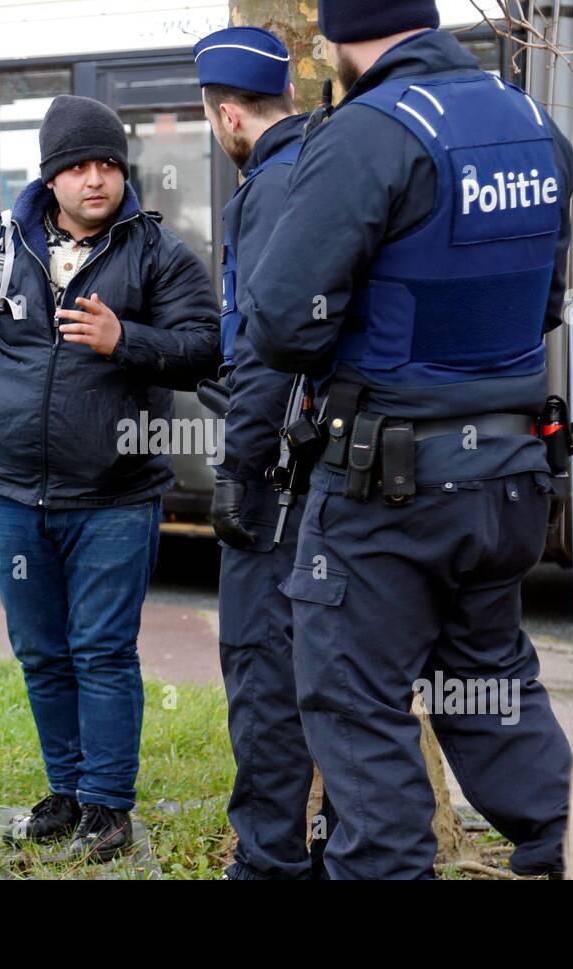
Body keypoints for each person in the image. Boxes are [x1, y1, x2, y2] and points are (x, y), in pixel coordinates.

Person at [244, 0, 573, 879]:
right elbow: (546, 304)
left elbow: (279, 323)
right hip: (511, 475)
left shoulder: (368, 134)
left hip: (386, 490)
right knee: (487, 683)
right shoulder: (534, 123)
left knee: (356, 706)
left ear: (340, 39)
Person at [0, 95, 219, 861]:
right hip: (14, 490)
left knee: (102, 650)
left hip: (115, 497)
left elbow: (206, 347)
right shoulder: (1, 241)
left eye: (108, 163)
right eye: (78, 166)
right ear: (50, 177)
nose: (95, 179)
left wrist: (126, 338)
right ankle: (68, 790)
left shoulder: (157, 253)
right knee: (42, 648)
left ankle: (109, 808)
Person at [194, 26, 335, 880]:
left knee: (261, 672)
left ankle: (269, 861)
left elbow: (264, 345)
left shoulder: (268, 185)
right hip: (338, 465)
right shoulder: (323, 166)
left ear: (229, 115)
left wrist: (241, 473)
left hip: (283, 473)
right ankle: (342, 851)